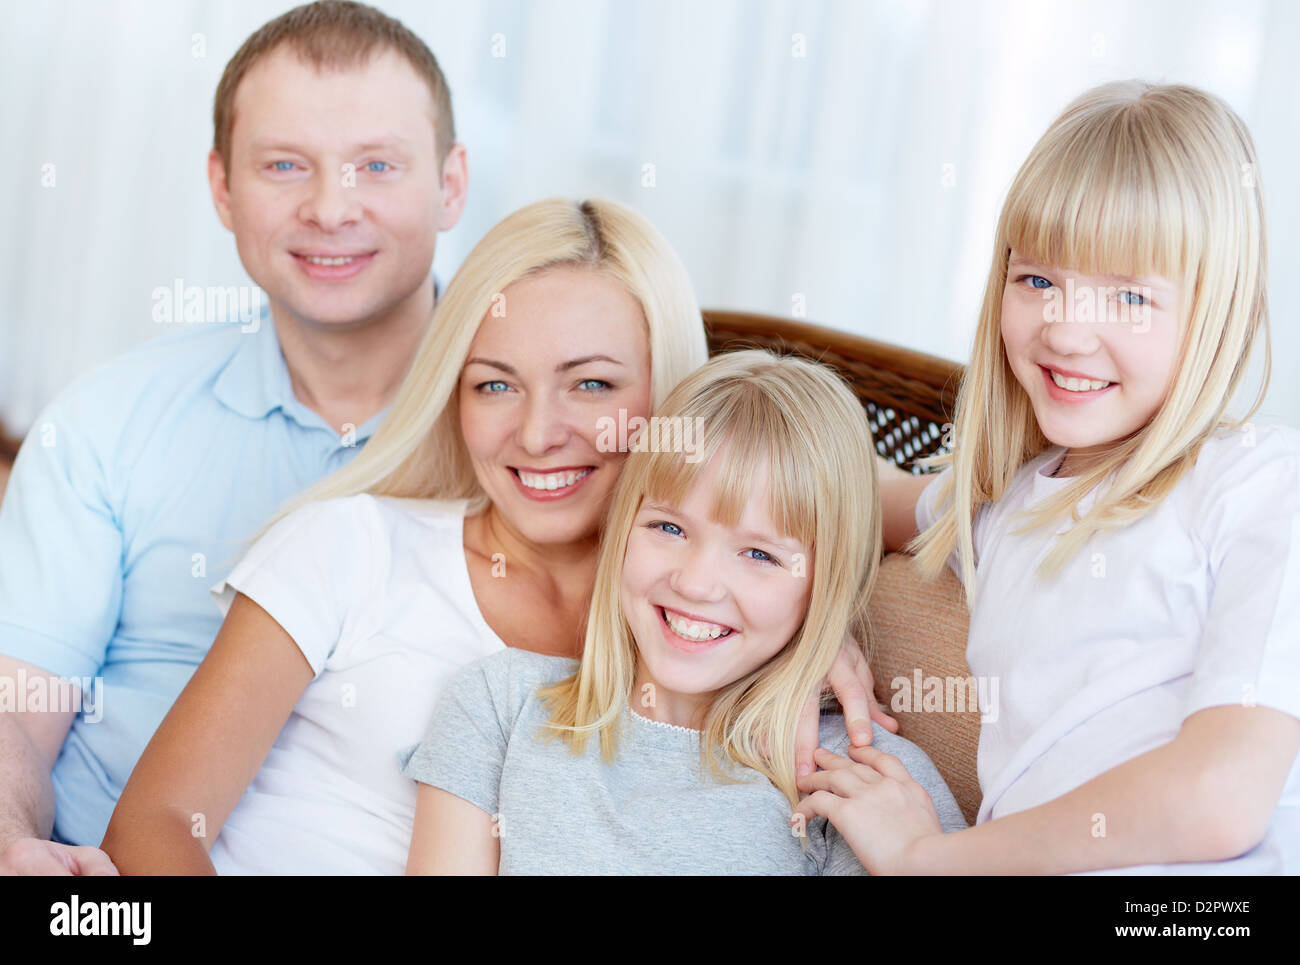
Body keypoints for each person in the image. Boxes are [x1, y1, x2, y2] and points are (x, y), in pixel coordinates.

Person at [0, 0, 468, 875]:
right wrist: (12, 846)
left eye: (377, 164)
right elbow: (14, 712)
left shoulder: (542, 444)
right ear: (221, 187)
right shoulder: (104, 425)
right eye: (285, 164)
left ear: (451, 184)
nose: (332, 208)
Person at [798, 80, 1300, 874]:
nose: (1065, 331)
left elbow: (1221, 796)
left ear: (1218, 313)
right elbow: (835, 493)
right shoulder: (1006, 506)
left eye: (1129, 296)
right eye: (1037, 280)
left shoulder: (1259, 486)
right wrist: (809, 619)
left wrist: (930, 858)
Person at [402, 349, 966, 874]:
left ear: (824, 583)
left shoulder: (865, 784)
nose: (695, 584)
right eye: (668, 527)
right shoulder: (498, 706)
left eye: (759, 554)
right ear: (623, 528)